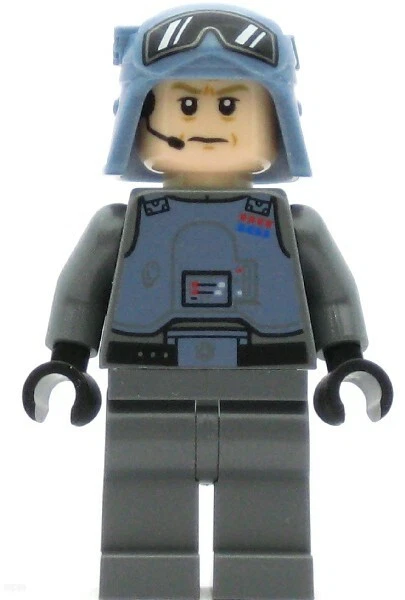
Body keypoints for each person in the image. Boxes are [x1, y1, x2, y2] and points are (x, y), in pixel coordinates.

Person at [23, 6, 393, 600]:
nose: (206, 123)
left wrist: (347, 360)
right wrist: (66, 361)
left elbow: (331, 292)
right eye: (187, 104)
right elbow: (81, 292)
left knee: (269, 493)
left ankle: (264, 583)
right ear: (137, 118)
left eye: (231, 106)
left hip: (268, 380)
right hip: (146, 380)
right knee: (143, 493)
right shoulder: (118, 225)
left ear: (278, 122)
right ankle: (146, 581)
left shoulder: (295, 226)